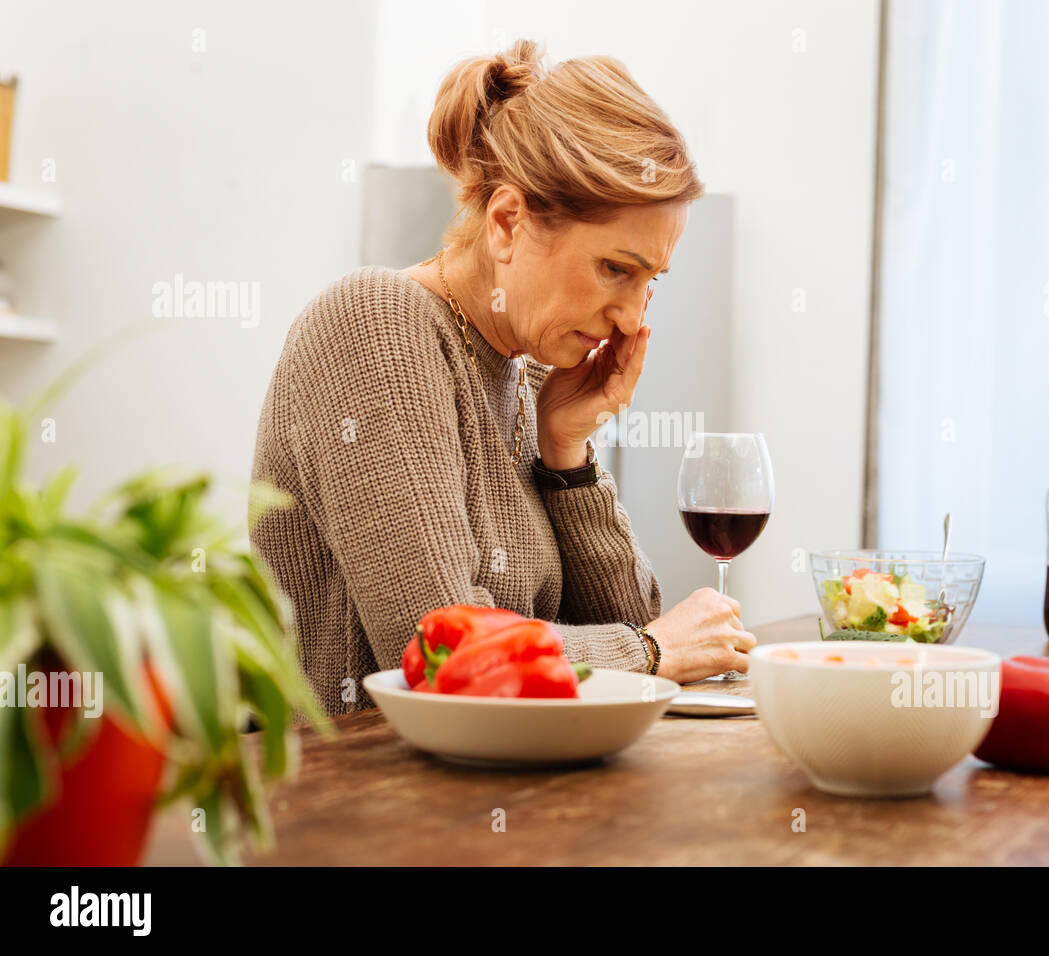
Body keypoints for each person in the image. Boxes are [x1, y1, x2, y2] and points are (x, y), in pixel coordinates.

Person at [250, 39, 756, 715]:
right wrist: (649, 652)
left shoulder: (530, 371)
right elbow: (436, 652)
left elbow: (629, 623)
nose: (632, 317)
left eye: (651, 280)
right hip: (357, 805)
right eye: (616, 268)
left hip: (498, 793)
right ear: (509, 223)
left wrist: (566, 454)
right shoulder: (376, 322)